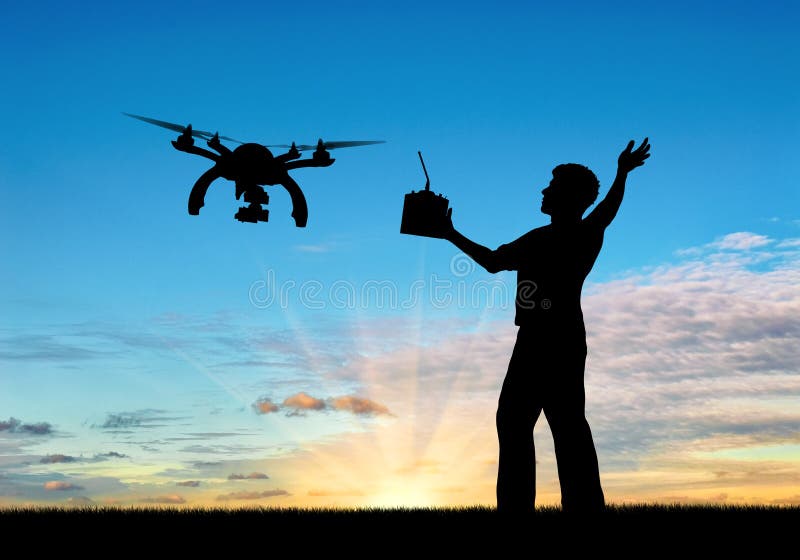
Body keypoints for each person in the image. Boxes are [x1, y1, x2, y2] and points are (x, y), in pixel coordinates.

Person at [443, 139, 650, 512]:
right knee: (544, 424)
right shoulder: (562, 235)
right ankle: (561, 507)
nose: (544, 189)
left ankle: (544, 508)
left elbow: (492, 262)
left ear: (571, 196)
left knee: (541, 425)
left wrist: (448, 232)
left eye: (552, 186)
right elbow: (493, 261)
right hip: (552, 337)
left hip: (549, 338)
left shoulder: (563, 235)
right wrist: (621, 173)